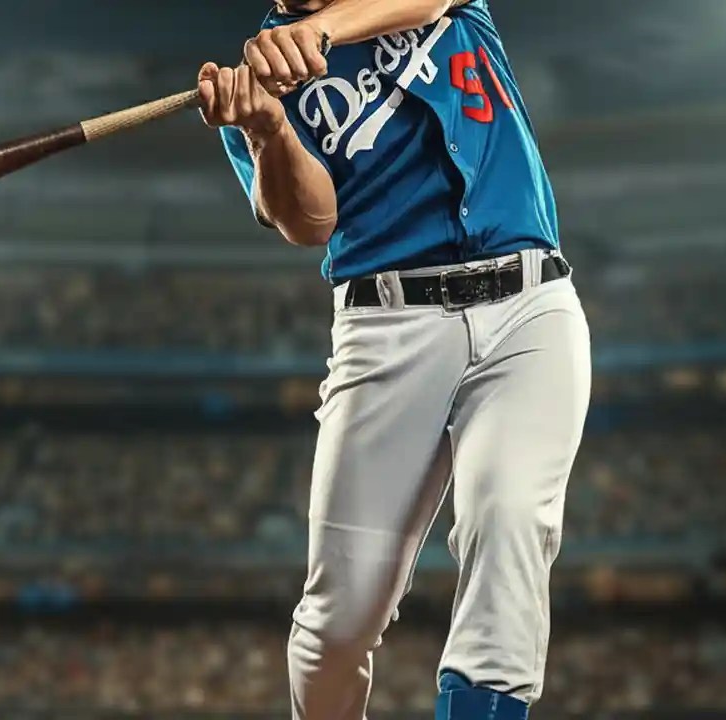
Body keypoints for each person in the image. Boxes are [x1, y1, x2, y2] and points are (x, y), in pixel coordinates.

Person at [197, 1, 592, 718]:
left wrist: (320, 33)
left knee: (508, 519)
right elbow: (312, 223)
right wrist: (268, 128)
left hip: (529, 304)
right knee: (338, 622)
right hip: (388, 328)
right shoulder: (261, 74)